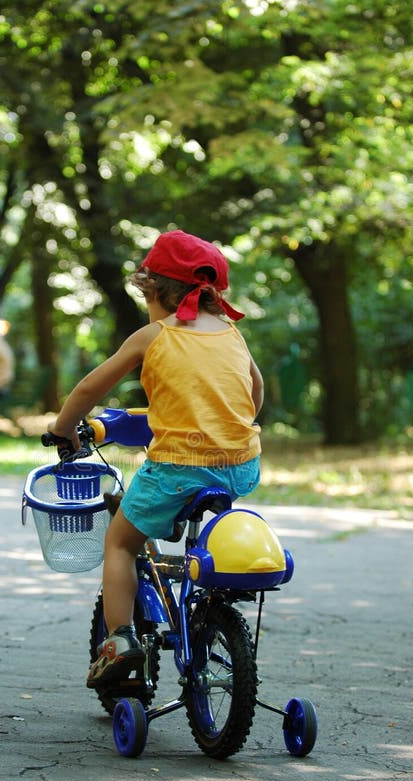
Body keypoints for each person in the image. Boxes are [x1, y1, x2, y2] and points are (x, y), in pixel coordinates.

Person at [49, 230, 264, 687]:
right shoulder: (232, 334)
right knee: (189, 514)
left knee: (121, 542)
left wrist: (63, 430)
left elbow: (90, 389)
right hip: (240, 465)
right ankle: (203, 602)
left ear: (158, 292)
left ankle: (120, 640)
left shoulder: (154, 335)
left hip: (176, 467)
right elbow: (255, 391)